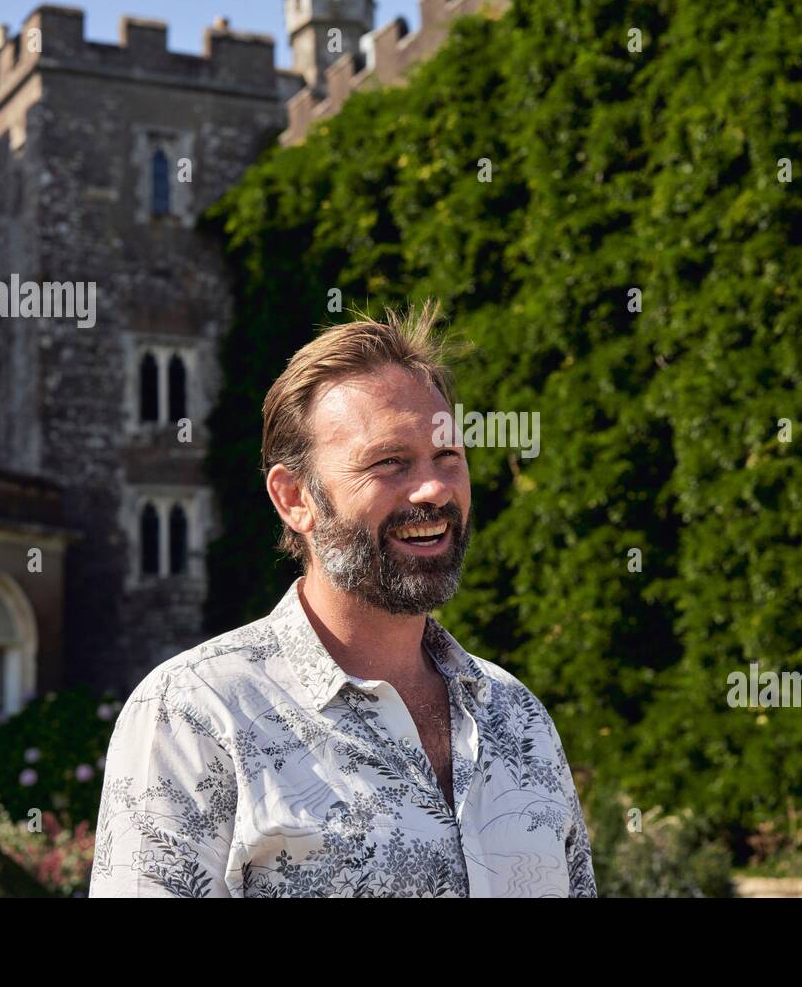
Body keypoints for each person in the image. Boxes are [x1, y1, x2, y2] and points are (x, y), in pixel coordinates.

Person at [88, 301, 597, 897]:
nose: (433, 488)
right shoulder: (197, 714)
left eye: (447, 458)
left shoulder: (518, 716)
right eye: (390, 463)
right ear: (295, 497)